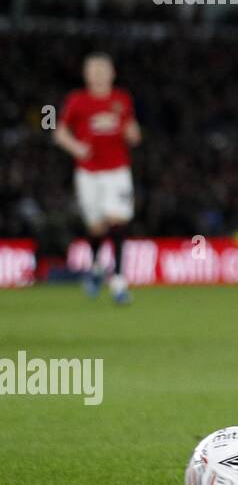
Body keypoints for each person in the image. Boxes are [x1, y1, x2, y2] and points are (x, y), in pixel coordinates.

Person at [54, 52, 141, 304]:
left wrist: (134, 135)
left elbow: (132, 131)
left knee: (117, 219)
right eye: (94, 69)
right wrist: (76, 148)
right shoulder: (77, 100)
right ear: (86, 74)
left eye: (104, 69)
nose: (100, 73)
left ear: (112, 73)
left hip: (117, 170)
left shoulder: (122, 99)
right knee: (96, 227)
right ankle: (94, 269)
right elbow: (59, 132)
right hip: (88, 172)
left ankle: (119, 280)